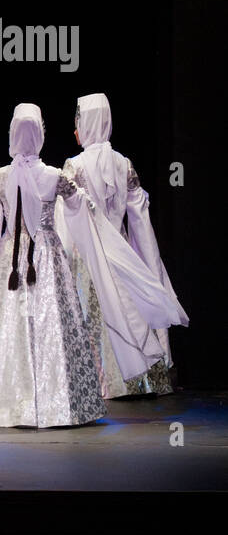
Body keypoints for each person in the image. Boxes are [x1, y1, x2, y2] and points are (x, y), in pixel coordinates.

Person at [0, 104, 184, 428]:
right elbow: (81, 215)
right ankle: (60, 403)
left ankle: (10, 402)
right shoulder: (55, 176)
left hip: (12, 265)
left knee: (13, 329)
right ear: (41, 134)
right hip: (49, 259)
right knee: (54, 327)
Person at [61, 93, 187, 396]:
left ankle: (102, 382)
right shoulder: (124, 164)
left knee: (95, 312)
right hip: (122, 253)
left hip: (88, 258)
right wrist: (148, 263)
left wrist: (62, 257)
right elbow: (140, 219)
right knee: (126, 311)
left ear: (87, 122)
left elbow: (66, 220)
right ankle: (136, 381)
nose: (75, 128)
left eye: (78, 121)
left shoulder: (74, 166)